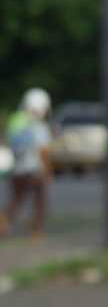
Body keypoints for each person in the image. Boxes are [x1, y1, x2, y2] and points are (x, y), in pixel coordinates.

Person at [5, 87, 54, 237]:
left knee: (16, 201)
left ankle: (4, 223)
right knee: (40, 202)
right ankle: (37, 230)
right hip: (35, 171)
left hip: (17, 169)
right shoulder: (39, 126)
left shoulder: (16, 121)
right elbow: (43, 151)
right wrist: (48, 170)